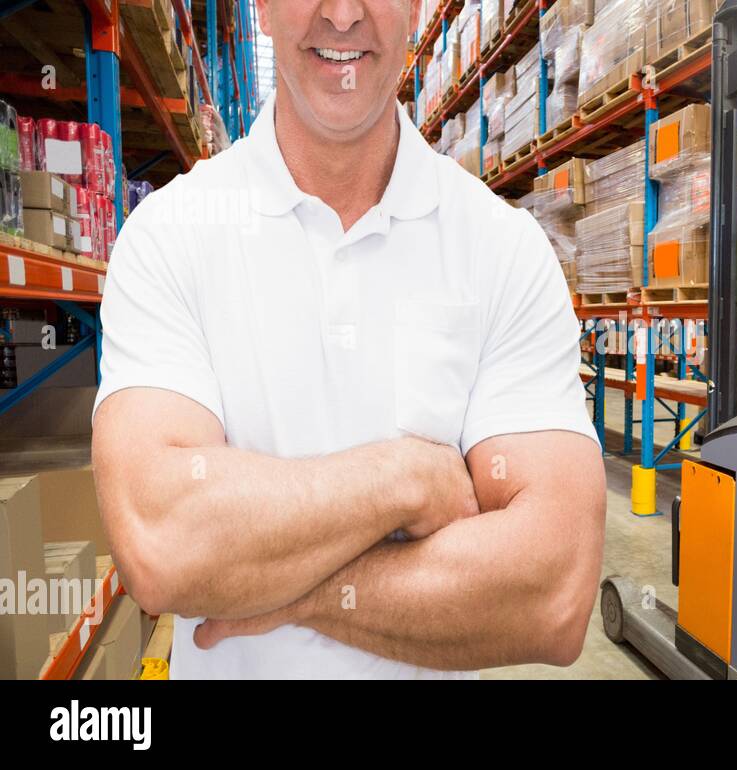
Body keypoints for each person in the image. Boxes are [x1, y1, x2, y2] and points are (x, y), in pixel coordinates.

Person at [90, 0, 606, 678]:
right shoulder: (169, 236)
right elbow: (162, 544)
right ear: (265, 11)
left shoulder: (501, 249)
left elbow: (554, 592)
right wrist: (406, 479)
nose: (341, 15)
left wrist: (282, 590)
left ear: (418, 9)